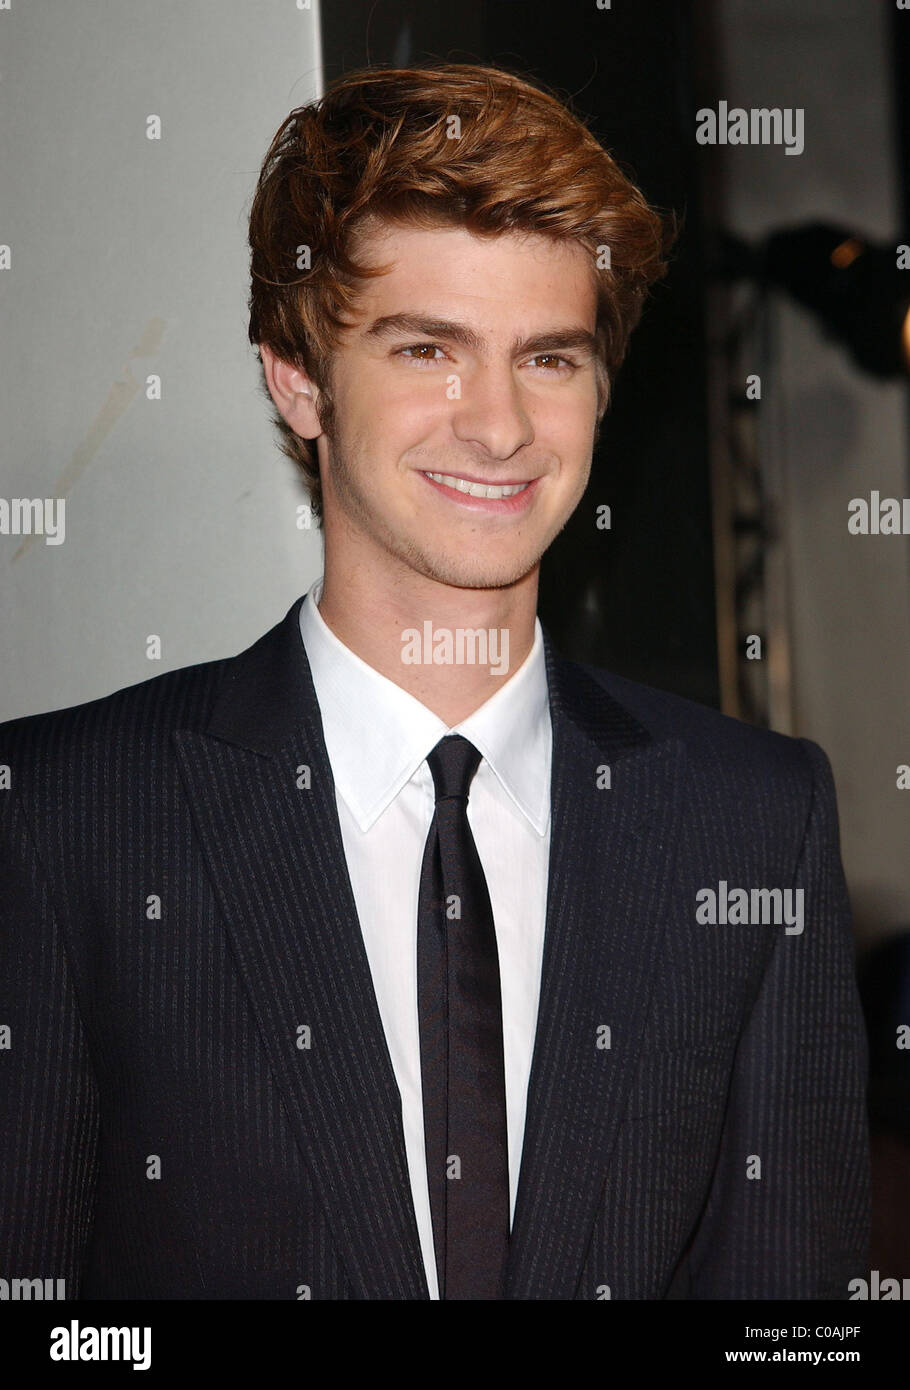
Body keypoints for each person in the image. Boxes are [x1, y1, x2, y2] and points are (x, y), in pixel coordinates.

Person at [0, 62, 869, 1300]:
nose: (500, 424)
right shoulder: (64, 813)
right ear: (296, 379)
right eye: (428, 349)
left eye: (551, 360)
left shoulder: (752, 819)